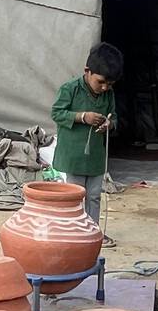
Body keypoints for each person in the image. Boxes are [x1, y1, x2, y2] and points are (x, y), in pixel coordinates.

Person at [51, 41, 122, 246]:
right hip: (73, 155)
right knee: (75, 197)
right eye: (101, 82)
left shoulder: (109, 94)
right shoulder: (70, 89)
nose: (105, 87)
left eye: (109, 84)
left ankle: (93, 233)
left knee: (94, 197)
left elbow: (114, 117)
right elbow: (56, 113)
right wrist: (83, 117)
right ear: (87, 71)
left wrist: (109, 124)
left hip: (96, 157)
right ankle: (74, 233)